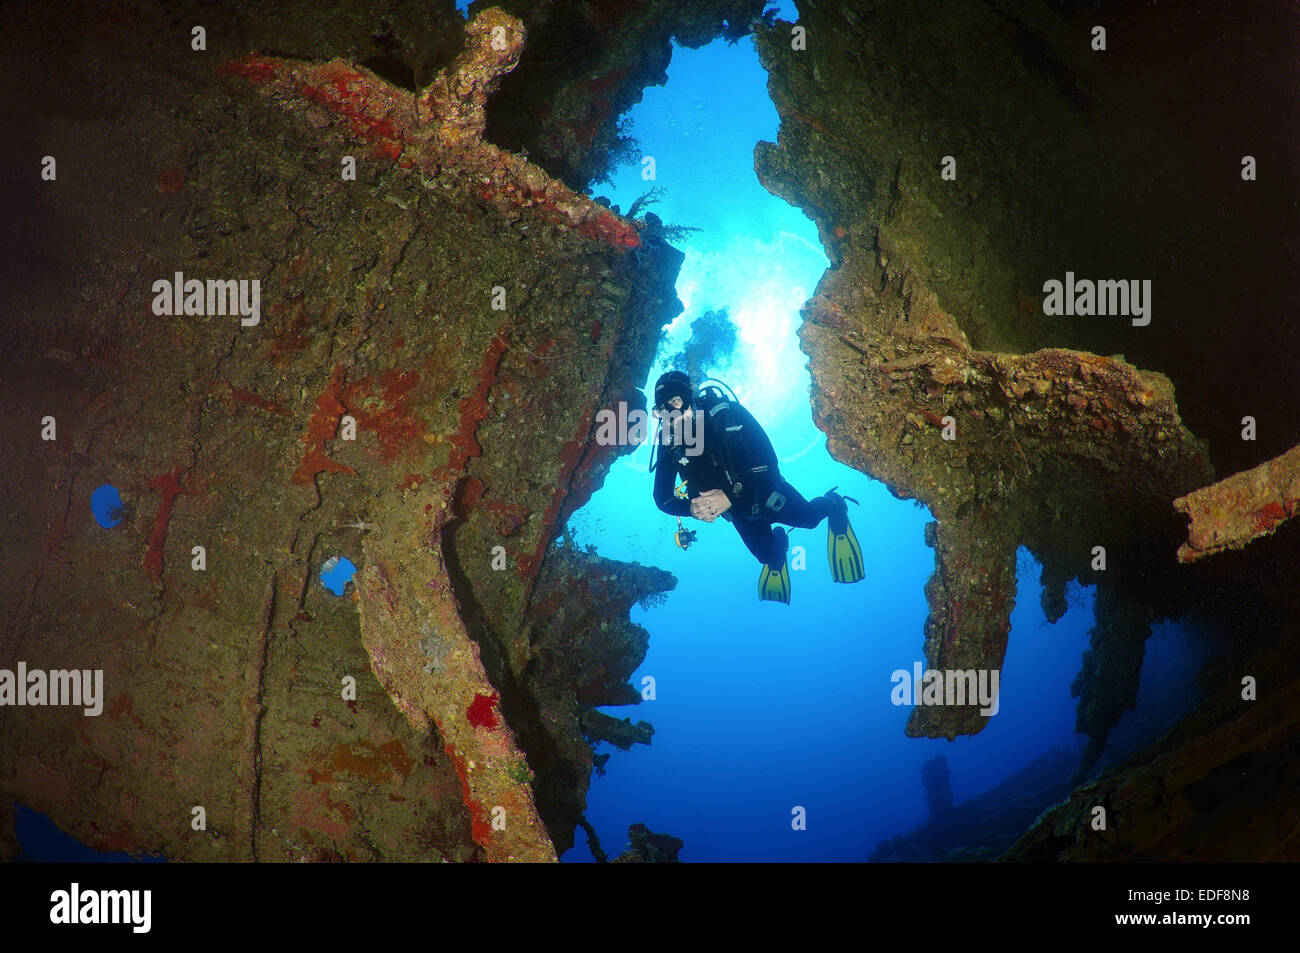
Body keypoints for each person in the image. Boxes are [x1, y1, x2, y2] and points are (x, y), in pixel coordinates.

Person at [649, 370, 865, 604]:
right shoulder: (668, 442)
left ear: (688, 397)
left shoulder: (727, 414)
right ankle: (779, 541)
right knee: (767, 557)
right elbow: (662, 499)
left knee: (810, 520)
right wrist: (691, 510)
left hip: (768, 493)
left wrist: (729, 497)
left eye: (676, 402)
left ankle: (834, 505)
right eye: (662, 410)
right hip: (742, 515)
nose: (671, 415)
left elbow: (768, 461)